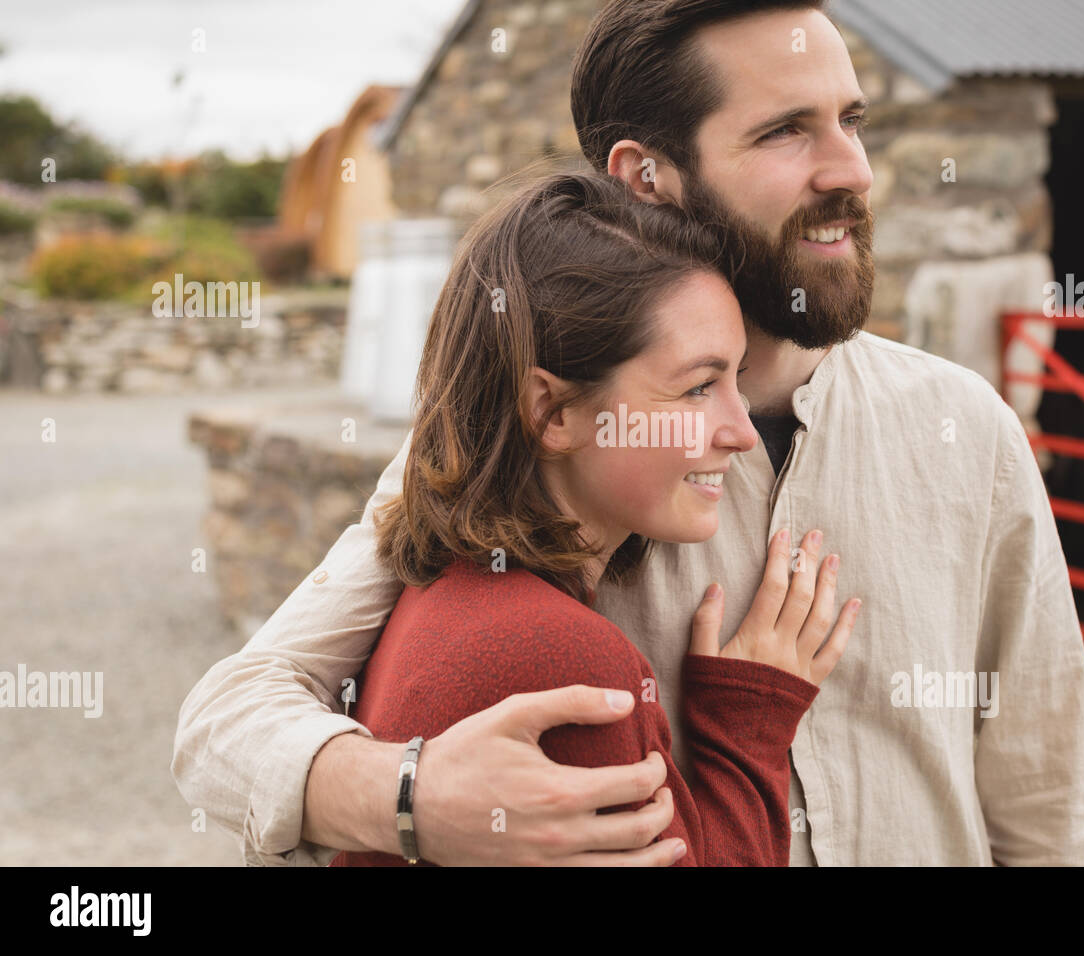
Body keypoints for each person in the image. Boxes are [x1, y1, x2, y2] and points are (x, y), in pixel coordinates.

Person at [173, 0, 1084, 866]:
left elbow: (1046, 812)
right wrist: (410, 798)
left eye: (851, 121)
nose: (851, 170)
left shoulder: (968, 430)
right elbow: (223, 721)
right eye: (787, 130)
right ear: (646, 178)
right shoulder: (549, 446)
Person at [329, 171, 858, 866]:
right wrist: (747, 724)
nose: (741, 432)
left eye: (737, 381)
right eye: (698, 387)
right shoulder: (561, 660)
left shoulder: (456, 595)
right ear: (552, 412)